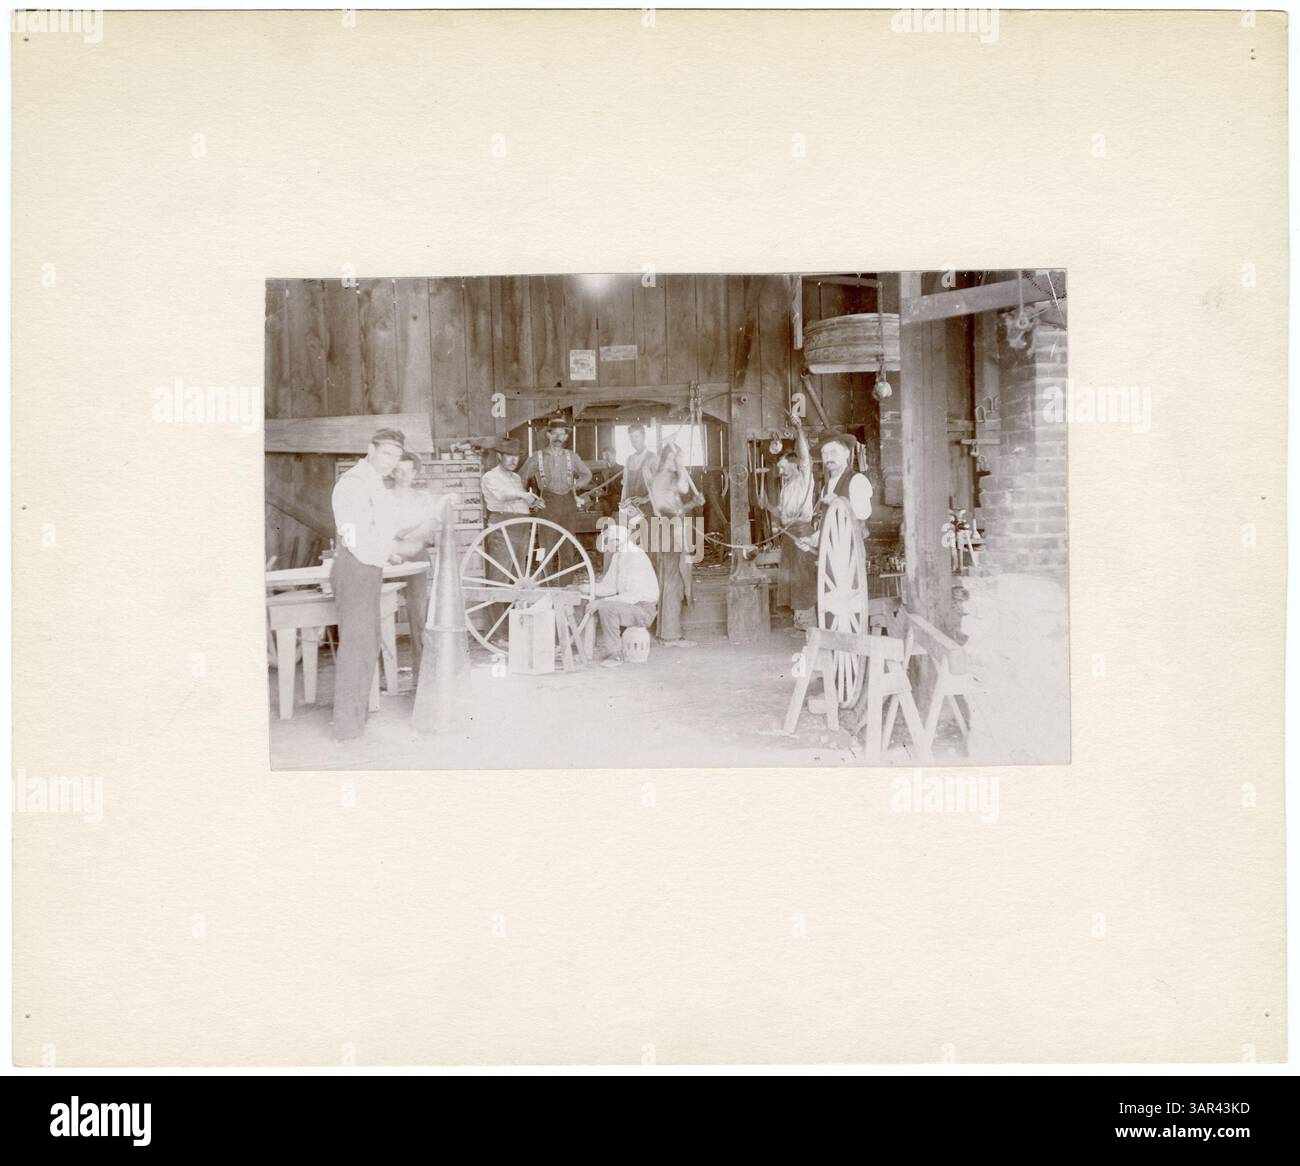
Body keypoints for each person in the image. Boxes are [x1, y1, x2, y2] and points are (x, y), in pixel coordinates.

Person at [329, 428, 423, 741]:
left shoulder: (375, 483)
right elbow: (355, 537)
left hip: (368, 567)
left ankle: (354, 724)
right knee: (357, 648)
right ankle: (347, 728)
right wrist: (392, 551)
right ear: (370, 449)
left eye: (396, 456)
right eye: (386, 453)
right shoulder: (354, 482)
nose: (391, 461)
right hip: (355, 567)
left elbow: (383, 528)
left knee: (367, 645)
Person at [390, 451, 456, 678]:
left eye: (409, 470)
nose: (404, 476)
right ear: (392, 471)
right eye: (398, 470)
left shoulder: (423, 498)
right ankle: (383, 674)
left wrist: (407, 534)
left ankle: (422, 674)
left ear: (416, 472)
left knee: (419, 615)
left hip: (417, 558)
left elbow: (427, 532)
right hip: (390, 559)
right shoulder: (384, 497)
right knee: (379, 611)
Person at [478, 437, 542, 637]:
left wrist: (533, 503)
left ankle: (517, 629)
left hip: (521, 527)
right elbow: (503, 496)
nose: (514, 460)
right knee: (499, 579)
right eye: (509, 456)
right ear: (499, 456)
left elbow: (518, 501)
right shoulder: (490, 477)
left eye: (516, 457)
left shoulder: (515, 478)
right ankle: (497, 634)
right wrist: (524, 496)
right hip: (502, 527)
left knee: (519, 578)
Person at [646, 439, 704, 645]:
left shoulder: (666, 477)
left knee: (669, 579)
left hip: (668, 529)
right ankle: (671, 636)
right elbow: (669, 509)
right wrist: (692, 504)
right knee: (673, 580)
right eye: (672, 459)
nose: (675, 464)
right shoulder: (662, 478)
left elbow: (683, 488)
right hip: (667, 529)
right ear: (665, 460)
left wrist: (680, 469)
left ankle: (666, 632)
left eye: (677, 460)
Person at [520, 415, 591, 577]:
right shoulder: (536, 457)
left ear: (566, 436)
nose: (558, 438)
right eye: (554, 434)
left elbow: (586, 474)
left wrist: (576, 485)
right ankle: (546, 588)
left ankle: (564, 589)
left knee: (567, 549)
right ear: (548, 435)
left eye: (562, 434)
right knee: (545, 549)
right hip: (547, 507)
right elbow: (521, 478)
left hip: (568, 506)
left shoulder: (572, 456)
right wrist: (530, 500)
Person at [763, 419, 817, 628]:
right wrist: (766, 505)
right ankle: (799, 619)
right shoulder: (786, 487)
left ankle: (809, 622)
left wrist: (799, 429)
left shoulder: (805, 478)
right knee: (790, 579)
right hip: (789, 536)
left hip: (802, 533)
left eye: (783, 467)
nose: (780, 472)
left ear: (794, 464)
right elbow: (782, 514)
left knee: (803, 578)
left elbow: (805, 456)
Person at [584, 521, 659, 667]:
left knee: (607, 608)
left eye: (616, 540)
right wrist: (586, 588)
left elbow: (632, 595)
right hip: (631, 606)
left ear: (626, 539)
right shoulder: (619, 556)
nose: (614, 544)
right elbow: (609, 586)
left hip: (644, 609)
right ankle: (584, 649)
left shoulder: (636, 556)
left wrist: (600, 602)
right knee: (593, 601)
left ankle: (615, 655)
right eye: (611, 541)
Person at [619, 423, 658, 511]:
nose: (634, 440)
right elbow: (625, 486)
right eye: (631, 437)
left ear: (644, 437)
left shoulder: (652, 458)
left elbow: (659, 486)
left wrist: (645, 499)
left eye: (637, 436)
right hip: (631, 509)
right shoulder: (629, 460)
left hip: (648, 508)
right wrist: (622, 504)